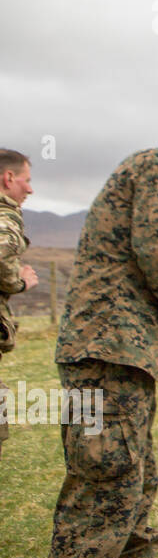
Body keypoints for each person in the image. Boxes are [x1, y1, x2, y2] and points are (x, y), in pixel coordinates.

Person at [48, 137, 158, 558]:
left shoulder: (156, 166)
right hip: (108, 346)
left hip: (123, 351)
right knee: (107, 478)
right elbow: (155, 246)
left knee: (136, 476)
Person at [0, 149, 38, 464]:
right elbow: (1, 254)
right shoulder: (5, 213)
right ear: (8, 178)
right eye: (26, 180)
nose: (30, 189)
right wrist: (20, 281)